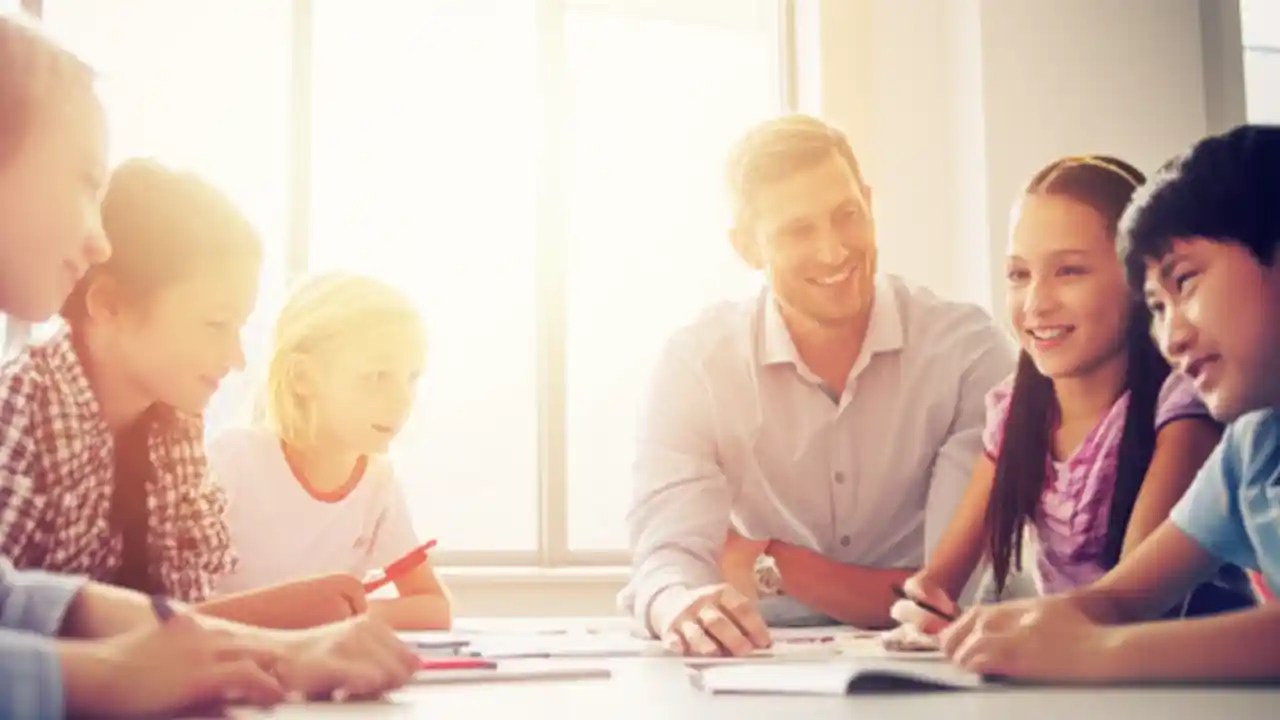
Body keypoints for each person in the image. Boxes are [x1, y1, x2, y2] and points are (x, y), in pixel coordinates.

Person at [0, 13, 416, 717]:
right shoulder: (27, 404)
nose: (101, 241)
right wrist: (112, 674)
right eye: (81, 184)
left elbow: (20, 598)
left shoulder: (174, 430)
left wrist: (276, 651)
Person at [621, 114, 1014, 656]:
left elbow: (949, 594)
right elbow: (667, 563)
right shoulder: (696, 364)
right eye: (797, 230)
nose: (833, 251)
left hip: (933, 659)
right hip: (757, 655)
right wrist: (680, 607)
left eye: (846, 215)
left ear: (869, 203)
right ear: (747, 248)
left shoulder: (967, 352)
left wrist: (773, 564)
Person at [938, 125, 1280, 683]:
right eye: (1156, 307)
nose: (1171, 337)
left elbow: (1111, 628)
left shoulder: (1185, 416)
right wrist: (1007, 631)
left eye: (1186, 282)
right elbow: (1118, 598)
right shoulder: (1251, 450)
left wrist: (1096, 651)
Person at [891, 156, 1223, 635]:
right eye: (1018, 275)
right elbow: (937, 585)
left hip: (1174, 678)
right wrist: (921, 607)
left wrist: (1000, 627)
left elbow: (1124, 606)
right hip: (1072, 673)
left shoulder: (1181, 406)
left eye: (1068, 271)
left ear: (1140, 280)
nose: (1036, 303)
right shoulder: (1014, 412)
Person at [210, 273, 451, 629]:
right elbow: (169, 604)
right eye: (377, 377)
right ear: (303, 378)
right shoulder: (233, 462)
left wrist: (343, 615)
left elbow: (433, 608)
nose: (402, 400)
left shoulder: (378, 484)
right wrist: (300, 618)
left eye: (412, 377)